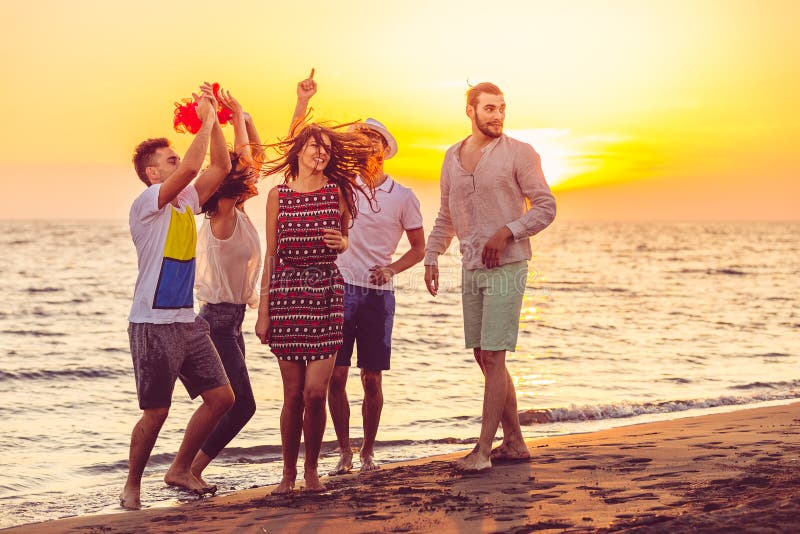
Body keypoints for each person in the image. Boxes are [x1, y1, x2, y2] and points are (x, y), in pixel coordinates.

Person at [294, 80, 426, 475]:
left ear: (384, 149)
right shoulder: (342, 186)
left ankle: (368, 451)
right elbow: (300, 151)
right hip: (339, 289)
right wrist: (303, 102)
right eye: (360, 139)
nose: (366, 145)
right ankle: (344, 452)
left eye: (372, 140)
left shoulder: (403, 196)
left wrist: (392, 269)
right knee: (335, 376)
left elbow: (419, 248)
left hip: (377, 296)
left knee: (372, 379)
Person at [424, 82, 556, 472]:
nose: (497, 115)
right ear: (470, 111)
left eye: (501, 108)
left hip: (508, 266)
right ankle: (514, 442)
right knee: (483, 356)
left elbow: (546, 206)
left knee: (495, 356)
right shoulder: (451, 157)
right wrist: (431, 255)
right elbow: (446, 215)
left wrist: (507, 232)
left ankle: (482, 451)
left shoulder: (520, 153)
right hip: (472, 266)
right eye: (489, 109)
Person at [254, 78, 378, 493]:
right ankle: (288, 474)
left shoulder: (337, 191)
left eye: (326, 147)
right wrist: (263, 312)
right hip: (286, 295)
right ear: (300, 151)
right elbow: (271, 255)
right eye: (313, 146)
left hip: (325, 293)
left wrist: (342, 243)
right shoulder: (278, 196)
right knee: (292, 394)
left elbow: (345, 239)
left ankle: (311, 471)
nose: (320, 152)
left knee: (314, 393)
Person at [123, 84, 235, 509]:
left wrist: (216, 119)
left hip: (186, 321)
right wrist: (204, 119)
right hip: (151, 323)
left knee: (222, 399)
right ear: (153, 174)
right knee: (156, 413)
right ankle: (131, 487)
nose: (179, 162)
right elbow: (190, 168)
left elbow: (220, 165)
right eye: (168, 160)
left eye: (176, 157)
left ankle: (180, 469)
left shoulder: (187, 200)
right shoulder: (147, 203)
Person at [190, 89, 264, 486]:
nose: (250, 178)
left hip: (230, 323)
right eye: (240, 177)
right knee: (240, 405)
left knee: (231, 404)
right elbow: (241, 168)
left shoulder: (239, 213)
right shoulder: (222, 216)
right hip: (216, 323)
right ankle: (188, 469)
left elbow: (252, 162)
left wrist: (243, 119)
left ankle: (187, 469)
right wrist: (229, 120)